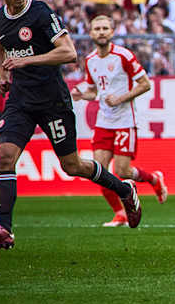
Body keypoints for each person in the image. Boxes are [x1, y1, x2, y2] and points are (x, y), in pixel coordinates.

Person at [0, 0, 142, 249]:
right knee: (4, 157)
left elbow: (69, 52)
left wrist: (26, 61)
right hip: (21, 101)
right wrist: (3, 78)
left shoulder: (40, 12)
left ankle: (125, 189)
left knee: (72, 165)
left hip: (52, 101)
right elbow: (1, 47)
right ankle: (4, 229)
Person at [72, 15, 169, 226]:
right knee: (99, 171)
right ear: (90, 33)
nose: (101, 32)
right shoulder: (90, 60)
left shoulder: (123, 56)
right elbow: (93, 90)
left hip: (125, 119)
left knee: (123, 171)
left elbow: (145, 84)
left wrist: (120, 99)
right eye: (97, 28)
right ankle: (121, 213)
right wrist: (80, 94)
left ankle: (154, 179)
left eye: (105, 28)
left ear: (112, 32)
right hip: (103, 122)